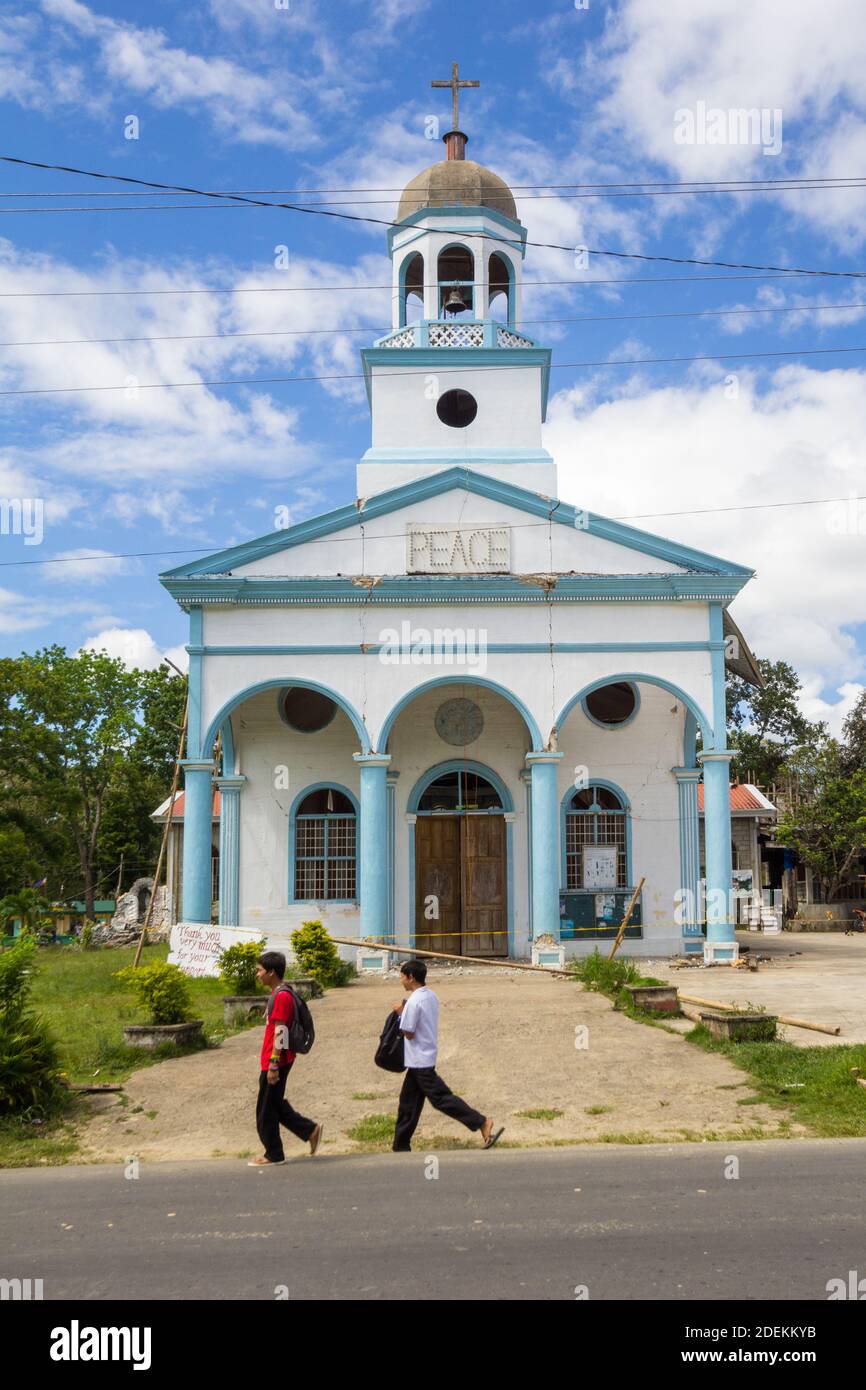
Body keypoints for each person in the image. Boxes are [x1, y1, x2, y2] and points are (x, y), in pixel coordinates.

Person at [392, 958, 503, 1153]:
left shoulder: (413, 1001)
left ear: (411, 977)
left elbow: (408, 1032)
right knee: (408, 1104)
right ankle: (400, 1146)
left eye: (402, 976)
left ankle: (482, 1122)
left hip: (420, 1061)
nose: (401, 980)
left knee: (441, 1099)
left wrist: (401, 1013)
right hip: (423, 1057)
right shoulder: (430, 996)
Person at [248, 950, 322, 1167]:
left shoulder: (281, 997)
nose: (257, 974)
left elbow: (281, 1032)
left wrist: (273, 1064)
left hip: (276, 1061)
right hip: (278, 1059)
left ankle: (274, 1153)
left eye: (260, 970)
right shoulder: (281, 993)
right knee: (274, 1104)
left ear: (271, 972)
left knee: (265, 1110)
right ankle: (310, 1130)